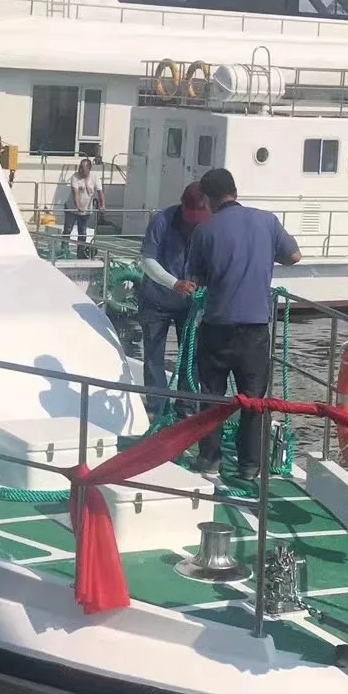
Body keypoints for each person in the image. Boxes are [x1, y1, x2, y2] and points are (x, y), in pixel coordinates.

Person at [184, 166, 300, 481]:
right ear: (234, 192)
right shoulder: (267, 221)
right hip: (255, 329)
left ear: (207, 199)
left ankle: (210, 459)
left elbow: (195, 278)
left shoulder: (204, 231)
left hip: (217, 326)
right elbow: (294, 256)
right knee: (254, 399)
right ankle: (250, 465)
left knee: (212, 395)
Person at [136, 181, 209, 418]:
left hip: (190, 305)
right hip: (155, 302)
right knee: (154, 357)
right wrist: (174, 283)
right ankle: (158, 410)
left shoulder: (208, 226)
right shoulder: (161, 221)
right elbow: (147, 260)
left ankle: (186, 408)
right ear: (183, 206)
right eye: (191, 216)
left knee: (191, 356)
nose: (194, 223)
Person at [61, 156, 102, 251]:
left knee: (82, 231)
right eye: (80, 167)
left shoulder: (95, 177)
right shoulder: (75, 177)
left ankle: (81, 250)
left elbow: (100, 192)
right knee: (67, 229)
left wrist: (103, 205)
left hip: (86, 211)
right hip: (71, 208)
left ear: (89, 169)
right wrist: (78, 207)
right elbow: (75, 194)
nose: (80, 169)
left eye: (82, 168)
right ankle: (64, 249)